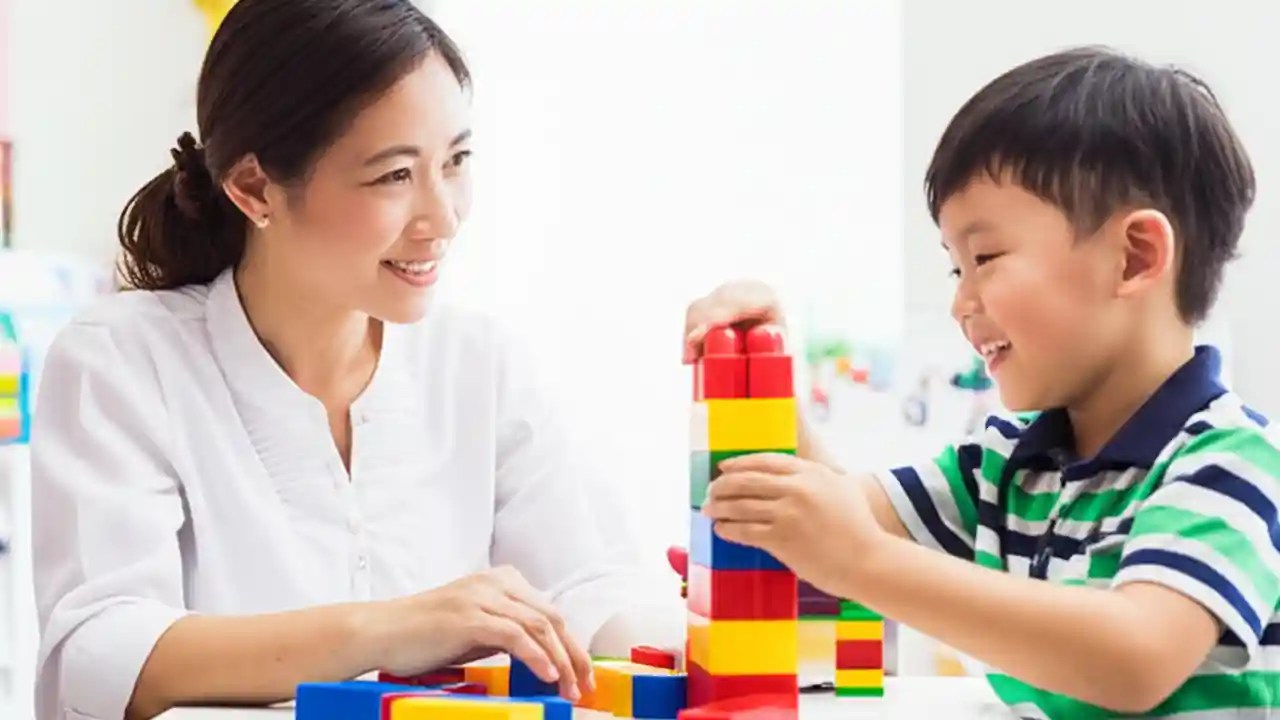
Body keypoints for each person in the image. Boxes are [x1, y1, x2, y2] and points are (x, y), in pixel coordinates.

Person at [31, 2, 678, 719]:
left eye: (456, 162)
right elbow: (99, 655)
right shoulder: (123, 362)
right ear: (253, 188)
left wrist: (731, 629)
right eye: (394, 176)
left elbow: (593, 587)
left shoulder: (478, 364)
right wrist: (392, 628)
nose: (443, 217)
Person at [685, 47, 1279, 718]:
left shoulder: (1233, 462)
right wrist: (758, 374)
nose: (961, 302)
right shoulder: (1005, 465)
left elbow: (1135, 659)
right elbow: (835, 508)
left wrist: (859, 562)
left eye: (986, 258)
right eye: (955, 269)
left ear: (1135, 257)